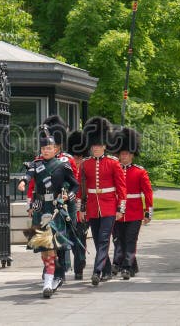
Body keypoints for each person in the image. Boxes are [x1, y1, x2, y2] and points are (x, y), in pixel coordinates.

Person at [22, 126, 80, 298]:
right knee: (43, 248)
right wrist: (23, 184)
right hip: (40, 209)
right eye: (43, 148)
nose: (46, 151)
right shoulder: (36, 164)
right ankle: (53, 276)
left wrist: (69, 196)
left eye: (49, 148)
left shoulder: (63, 165)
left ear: (56, 149)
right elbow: (29, 176)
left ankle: (49, 281)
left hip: (55, 210)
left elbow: (74, 185)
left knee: (51, 247)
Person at [79, 116, 126, 286]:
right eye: (94, 146)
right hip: (92, 206)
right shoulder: (85, 164)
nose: (96, 148)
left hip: (108, 206)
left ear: (105, 146)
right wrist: (81, 208)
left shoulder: (113, 163)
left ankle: (97, 271)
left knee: (104, 239)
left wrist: (121, 208)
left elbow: (121, 188)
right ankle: (106, 270)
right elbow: (81, 188)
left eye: (99, 146)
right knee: (99, 240)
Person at [112, 127, 153, 280]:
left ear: (132, 155)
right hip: (116, 210)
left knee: (130, 239)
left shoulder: (140, 172)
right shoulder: (114, 170)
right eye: (122, 154)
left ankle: (127, 267)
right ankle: (128, 264)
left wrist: (148, 212)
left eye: (127, 154)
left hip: (134, 211)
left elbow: (148, 193)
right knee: (118, 239)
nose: (124, 157)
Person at [66, 129, 89, 280]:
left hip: (84, 208)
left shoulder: (87, 167)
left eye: (80, 156)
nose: (78, 159)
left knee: (80, 236)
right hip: (68, 206)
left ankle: (79, 266)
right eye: (76, 156)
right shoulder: (67, 167)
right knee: (71, 238)